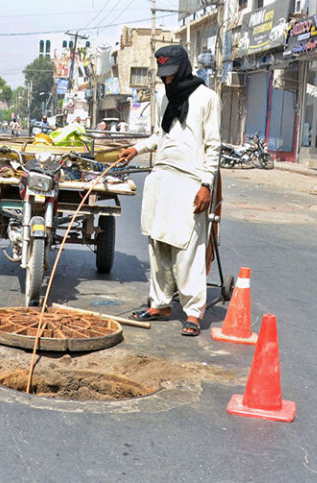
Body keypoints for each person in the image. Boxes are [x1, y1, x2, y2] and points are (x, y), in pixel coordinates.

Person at [118, 45, 220, 337]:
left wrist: (206, 184)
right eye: (164, 75)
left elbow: (213, 145)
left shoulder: (207, 98)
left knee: (187, 248)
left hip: (189, 181)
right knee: (158, 244)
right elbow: (161, 136)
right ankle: (160, 303)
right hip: (160, 178)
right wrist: (135, 149)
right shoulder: (164, 98)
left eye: (172, 74)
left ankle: (193, 311)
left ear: (183, 67)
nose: (168, 80)